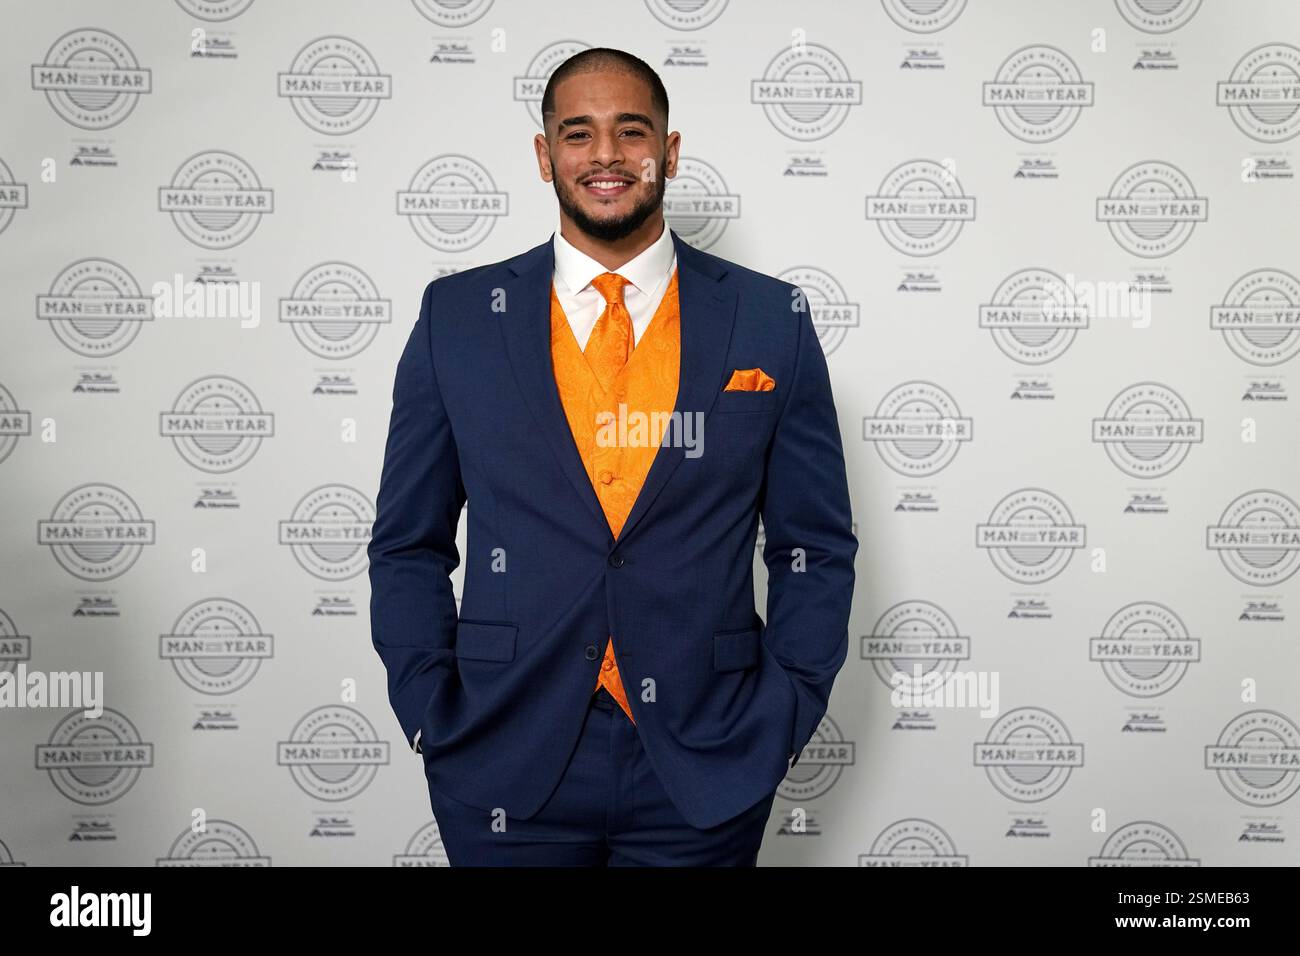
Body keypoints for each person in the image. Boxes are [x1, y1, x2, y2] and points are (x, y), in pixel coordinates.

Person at [367, 47, 857, 866]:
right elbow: (407, 543)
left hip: (707, 760)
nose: (605, 156)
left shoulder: (773, 319)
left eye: (631, 132)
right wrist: (428, 706)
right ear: (543, 154)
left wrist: (785, 713)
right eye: (578, 133)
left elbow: (814, 545)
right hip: (501, 754)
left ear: (668, 151)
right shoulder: (457, 317)